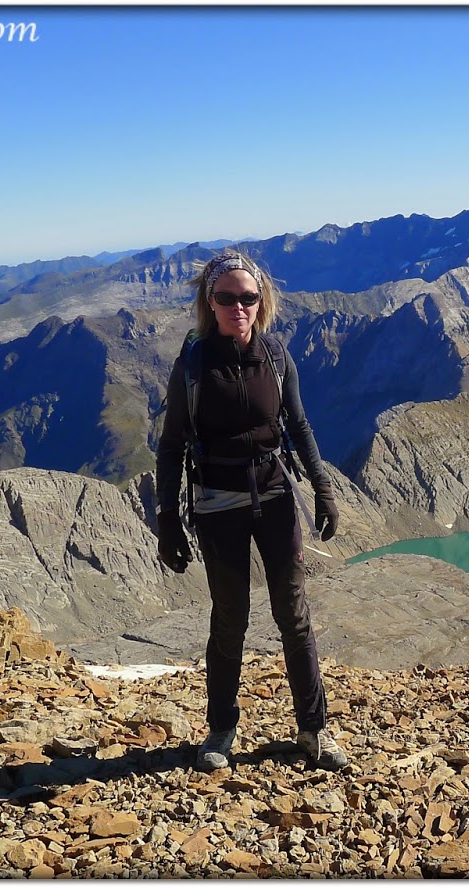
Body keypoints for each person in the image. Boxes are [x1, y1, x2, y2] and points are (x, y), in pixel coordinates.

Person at [153, 249, 347, 772]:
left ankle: (313, 730)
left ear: (262, 302)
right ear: (209, 302)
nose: (238, 306)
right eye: (226, 297)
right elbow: (171, 445)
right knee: (230, 619)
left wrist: (323, 490)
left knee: (294, 616)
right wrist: (166, 519)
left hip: (276, 495)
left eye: (248, 298)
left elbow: (299, 427)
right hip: (217, 503)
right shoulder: (192, 364)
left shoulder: (277, 356)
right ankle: (221, 730)